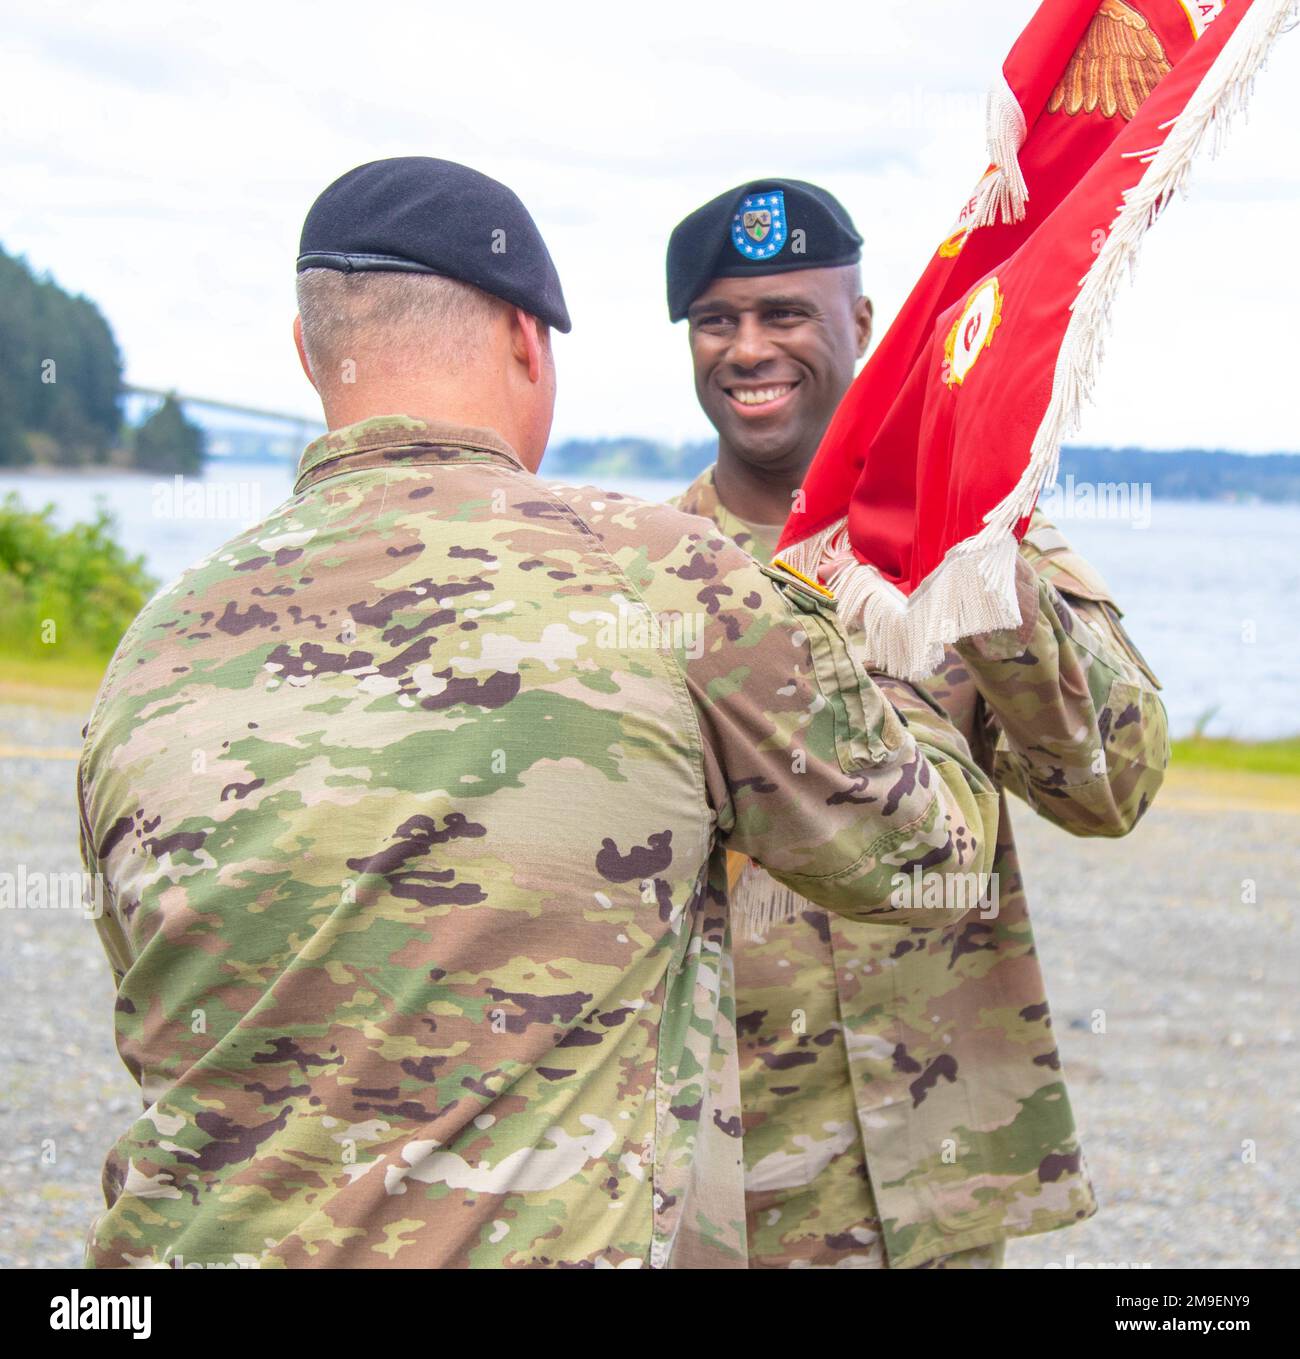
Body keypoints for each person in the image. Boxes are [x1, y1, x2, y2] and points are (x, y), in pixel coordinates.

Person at [76, 157, 1000, 1269]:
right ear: (528, 339)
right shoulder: (660, 578)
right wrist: (902, 633)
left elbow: (161, 994)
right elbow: (920, 855)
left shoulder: (154, 646)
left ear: (307, 351)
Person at [664, 178, 1171, 1268]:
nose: (748, 348)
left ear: (862, 324)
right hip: (712, 1200)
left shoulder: (971, 554)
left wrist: (978, 578)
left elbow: (1112, 789)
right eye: (716, 321)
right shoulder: (642, 580)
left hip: (934, 1182)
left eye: (785, 313)